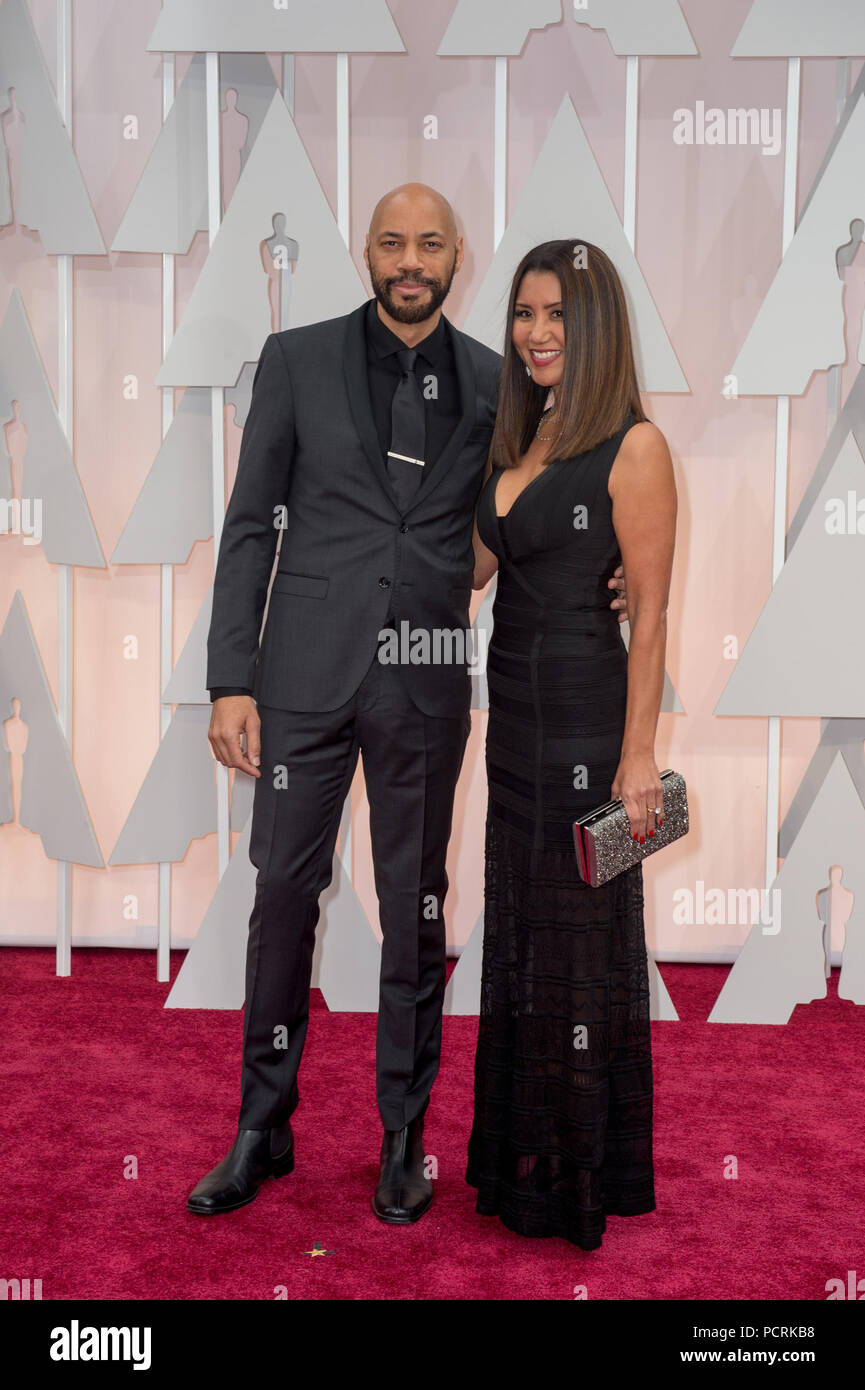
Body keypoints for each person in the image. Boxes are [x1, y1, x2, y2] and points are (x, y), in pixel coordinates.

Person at [188, 187, 629, 1225]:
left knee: (413, 915)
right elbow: (251, 522)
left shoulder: (494, 384)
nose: (410, 259)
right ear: (368, 251)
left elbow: (533, 501)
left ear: (456, 256)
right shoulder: (293, 361)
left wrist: (605, 569)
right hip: (298, 680)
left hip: (424, 684)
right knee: (281, 902)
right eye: (392, 241)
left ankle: (402, 1136)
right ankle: (262, 1125)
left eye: (429, 242)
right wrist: (230, 678)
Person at [466, 239, 676, 1250]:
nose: (538, 332)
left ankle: (579, 1179)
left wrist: (641, 758)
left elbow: (655, 619)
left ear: (593, 328)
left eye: (556, 314)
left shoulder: (633, 447)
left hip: (595, 735)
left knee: (585, 955)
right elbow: (471, 570)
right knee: (524, 945)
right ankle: (526, 1160)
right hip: (511, 732)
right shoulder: (520, 439)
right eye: (524, 313)